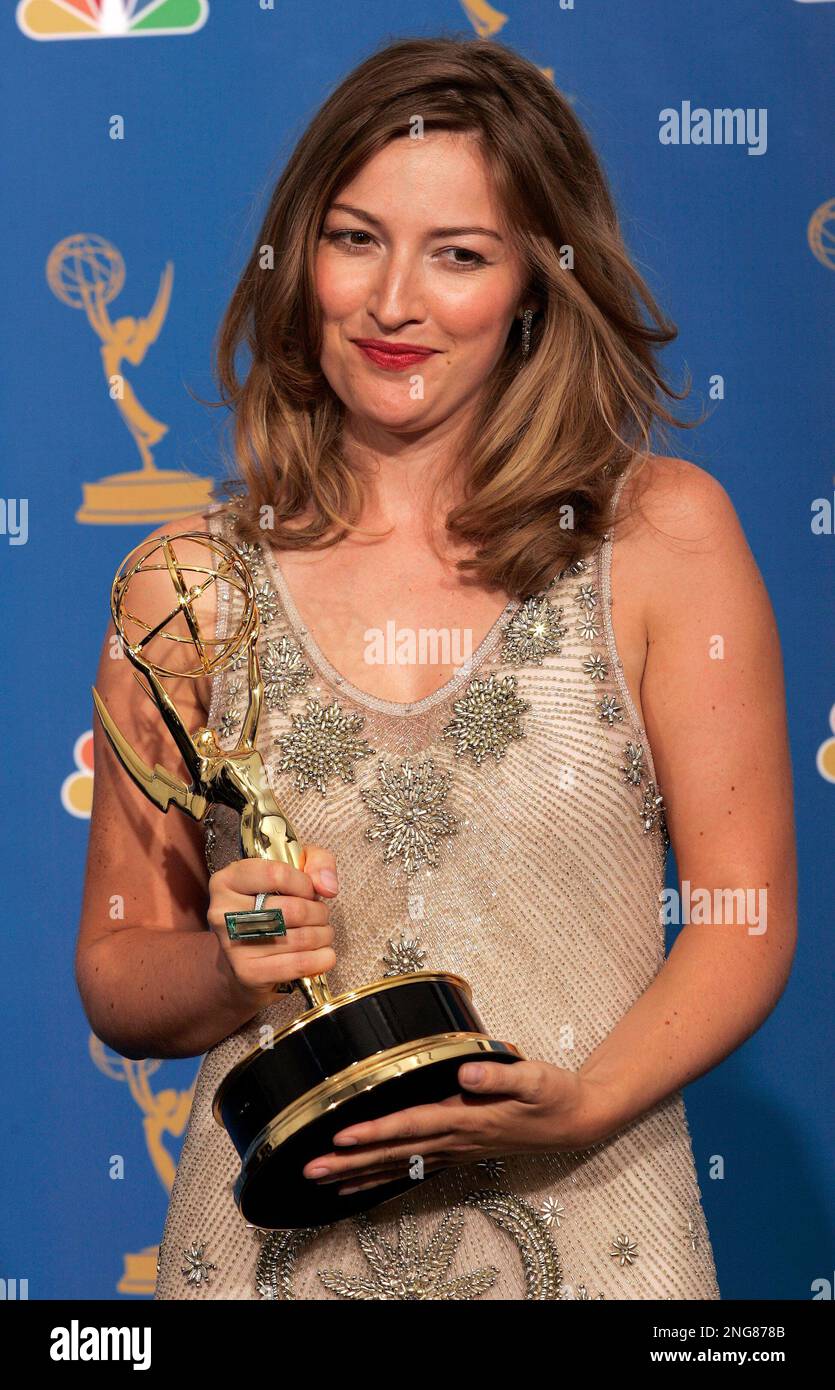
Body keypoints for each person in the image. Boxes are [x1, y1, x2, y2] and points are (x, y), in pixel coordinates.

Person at [76, 36, 797, 1301]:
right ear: (298, 256)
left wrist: (583, 1104)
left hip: (598, 1226)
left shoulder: (663, 534)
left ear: (534, 281)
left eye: (458, 254)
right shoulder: (182, 583)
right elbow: (122, 972)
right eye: (355, 239)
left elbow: (743, 915)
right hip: (267, 1260)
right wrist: (228, 957)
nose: (392, 301)